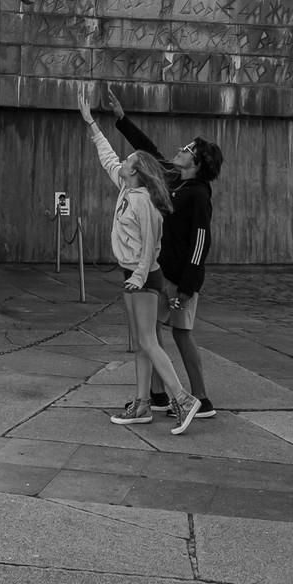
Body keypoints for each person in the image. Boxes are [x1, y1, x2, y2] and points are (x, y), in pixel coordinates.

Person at [78, 96, 202, 435]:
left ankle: (183, 399)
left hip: (146, 276)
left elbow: (150, 247)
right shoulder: (126, 188)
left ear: (137, 171)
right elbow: (106, 158)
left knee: (148, 340)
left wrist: (137, 275)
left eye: (127, 159)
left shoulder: (144, 202)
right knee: (141, 342)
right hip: (134, 274)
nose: (122, 161)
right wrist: (91, 124)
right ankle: (143, 403)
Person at [102, 87, 223, 419]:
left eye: (187, 149)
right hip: (163, 272)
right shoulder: (174, 178)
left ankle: (201, 399)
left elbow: (201, 241)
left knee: (181, 334)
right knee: (152, 332)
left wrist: (187, 286)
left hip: (181, 278)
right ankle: (155, 396)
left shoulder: (198, 194)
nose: (179, 150)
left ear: (197, 163)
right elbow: (150, 151)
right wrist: (122, 121)